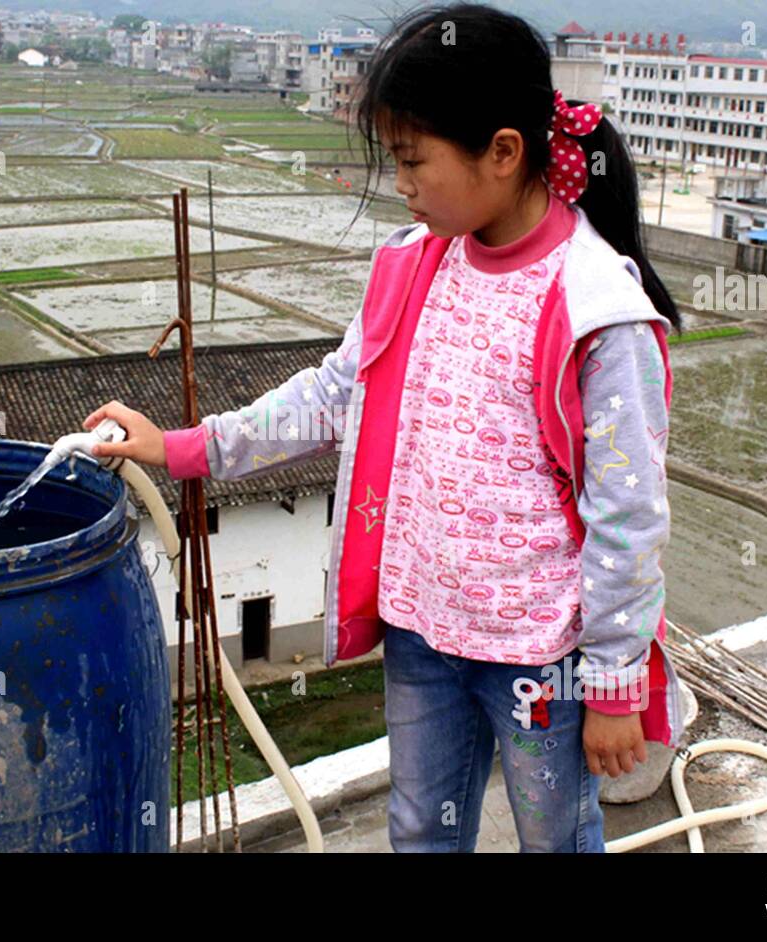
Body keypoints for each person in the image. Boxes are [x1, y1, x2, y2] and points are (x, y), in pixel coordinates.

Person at [81, 3, 688, 853]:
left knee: (555, 836)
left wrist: (617, 682)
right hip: (421, 630)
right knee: (419, 827)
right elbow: (336, 395)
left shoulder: (596, 310)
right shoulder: (415, 263)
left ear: (504, 153)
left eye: (412, 161)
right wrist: (186, 446)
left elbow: (628, 515)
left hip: (537, 653)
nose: (401, 185)